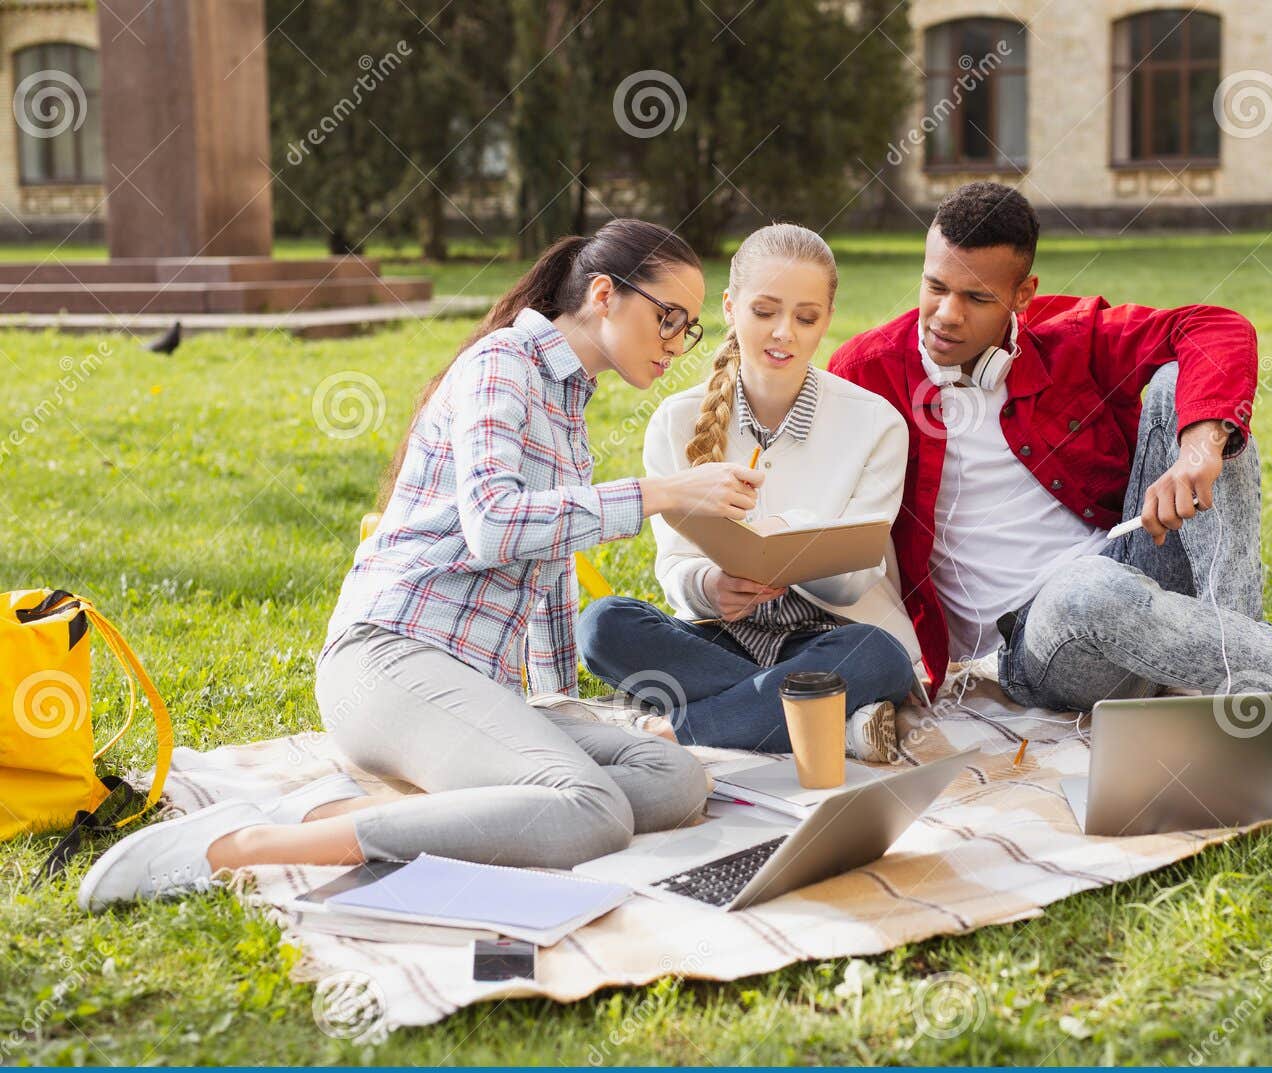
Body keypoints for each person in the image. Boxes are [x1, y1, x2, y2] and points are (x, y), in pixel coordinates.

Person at [80, 219, 763, 911]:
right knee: (594, 810)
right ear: (604, 294)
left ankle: (424, 809)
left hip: (475, 690)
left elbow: (550, 577)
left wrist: (553, 710)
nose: (676, 342)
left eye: (690, 329)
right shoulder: (503, 363)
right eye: (667, 317)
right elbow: (495, 524)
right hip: (389, 660)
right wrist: (662, 493)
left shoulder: (569, 409)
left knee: (673, 779)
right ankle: (248, 844)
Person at [827, 181, 1272, 725]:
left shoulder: (1068, 333)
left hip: (1138, 568)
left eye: (976, 298)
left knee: (1190, 397)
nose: (947, 315)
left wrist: (1201, 443)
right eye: (935, 287)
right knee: (1087, 592)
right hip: (1036, 647)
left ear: (1023, 295)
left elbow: (1217, 327)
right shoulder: (867, 369)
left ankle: (1236, 657)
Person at [578, 224, 920, 759]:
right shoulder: (675, 420)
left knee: (878, 656)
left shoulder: (877, 424)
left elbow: (855, 581)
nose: (784, 333)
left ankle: (684, 730)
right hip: (724, 639)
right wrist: (709, 586)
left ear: (827, 318)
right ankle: (826, 719)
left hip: (834, 636)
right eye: (764, 312)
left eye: (806, 318)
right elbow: (675, 565)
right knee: (603, 626)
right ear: (730, 307)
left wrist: (789, 535)